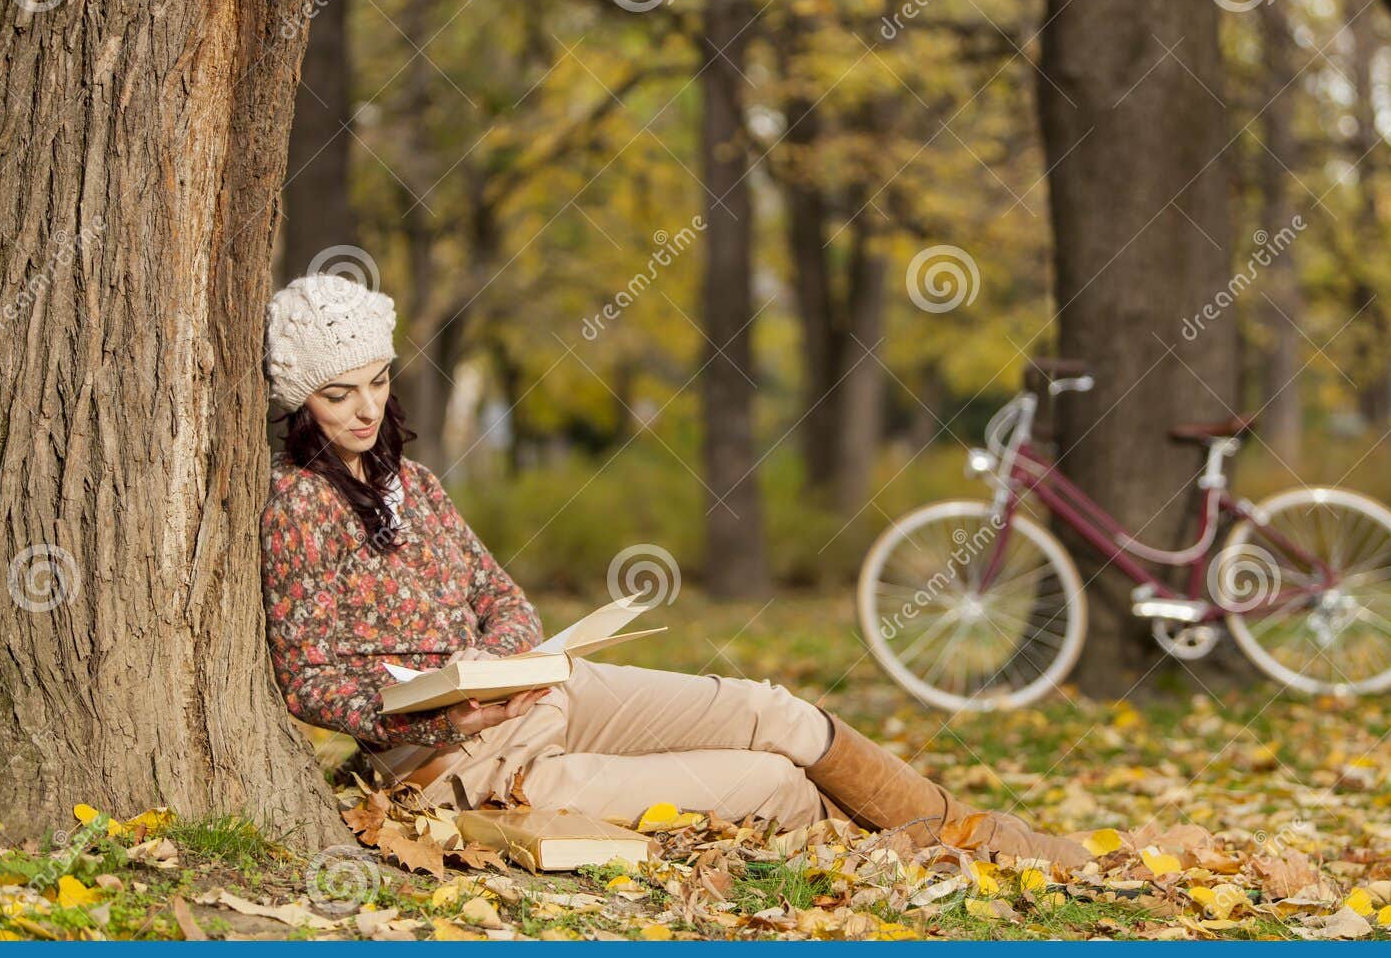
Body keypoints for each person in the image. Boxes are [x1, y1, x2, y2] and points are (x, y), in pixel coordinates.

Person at [260, 273, 1086, 865]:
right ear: (303, 400)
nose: (366, 409)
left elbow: (495, 591)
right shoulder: (297, 504)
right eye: (339, 394)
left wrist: (503, 656)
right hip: (462, 763)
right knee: (770, 786)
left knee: (779, 712)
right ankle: (946, 860)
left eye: (376, 383)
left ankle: (977, 834)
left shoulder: (419, 486)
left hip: (541, 694)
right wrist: (441, 713)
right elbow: (307, 681)